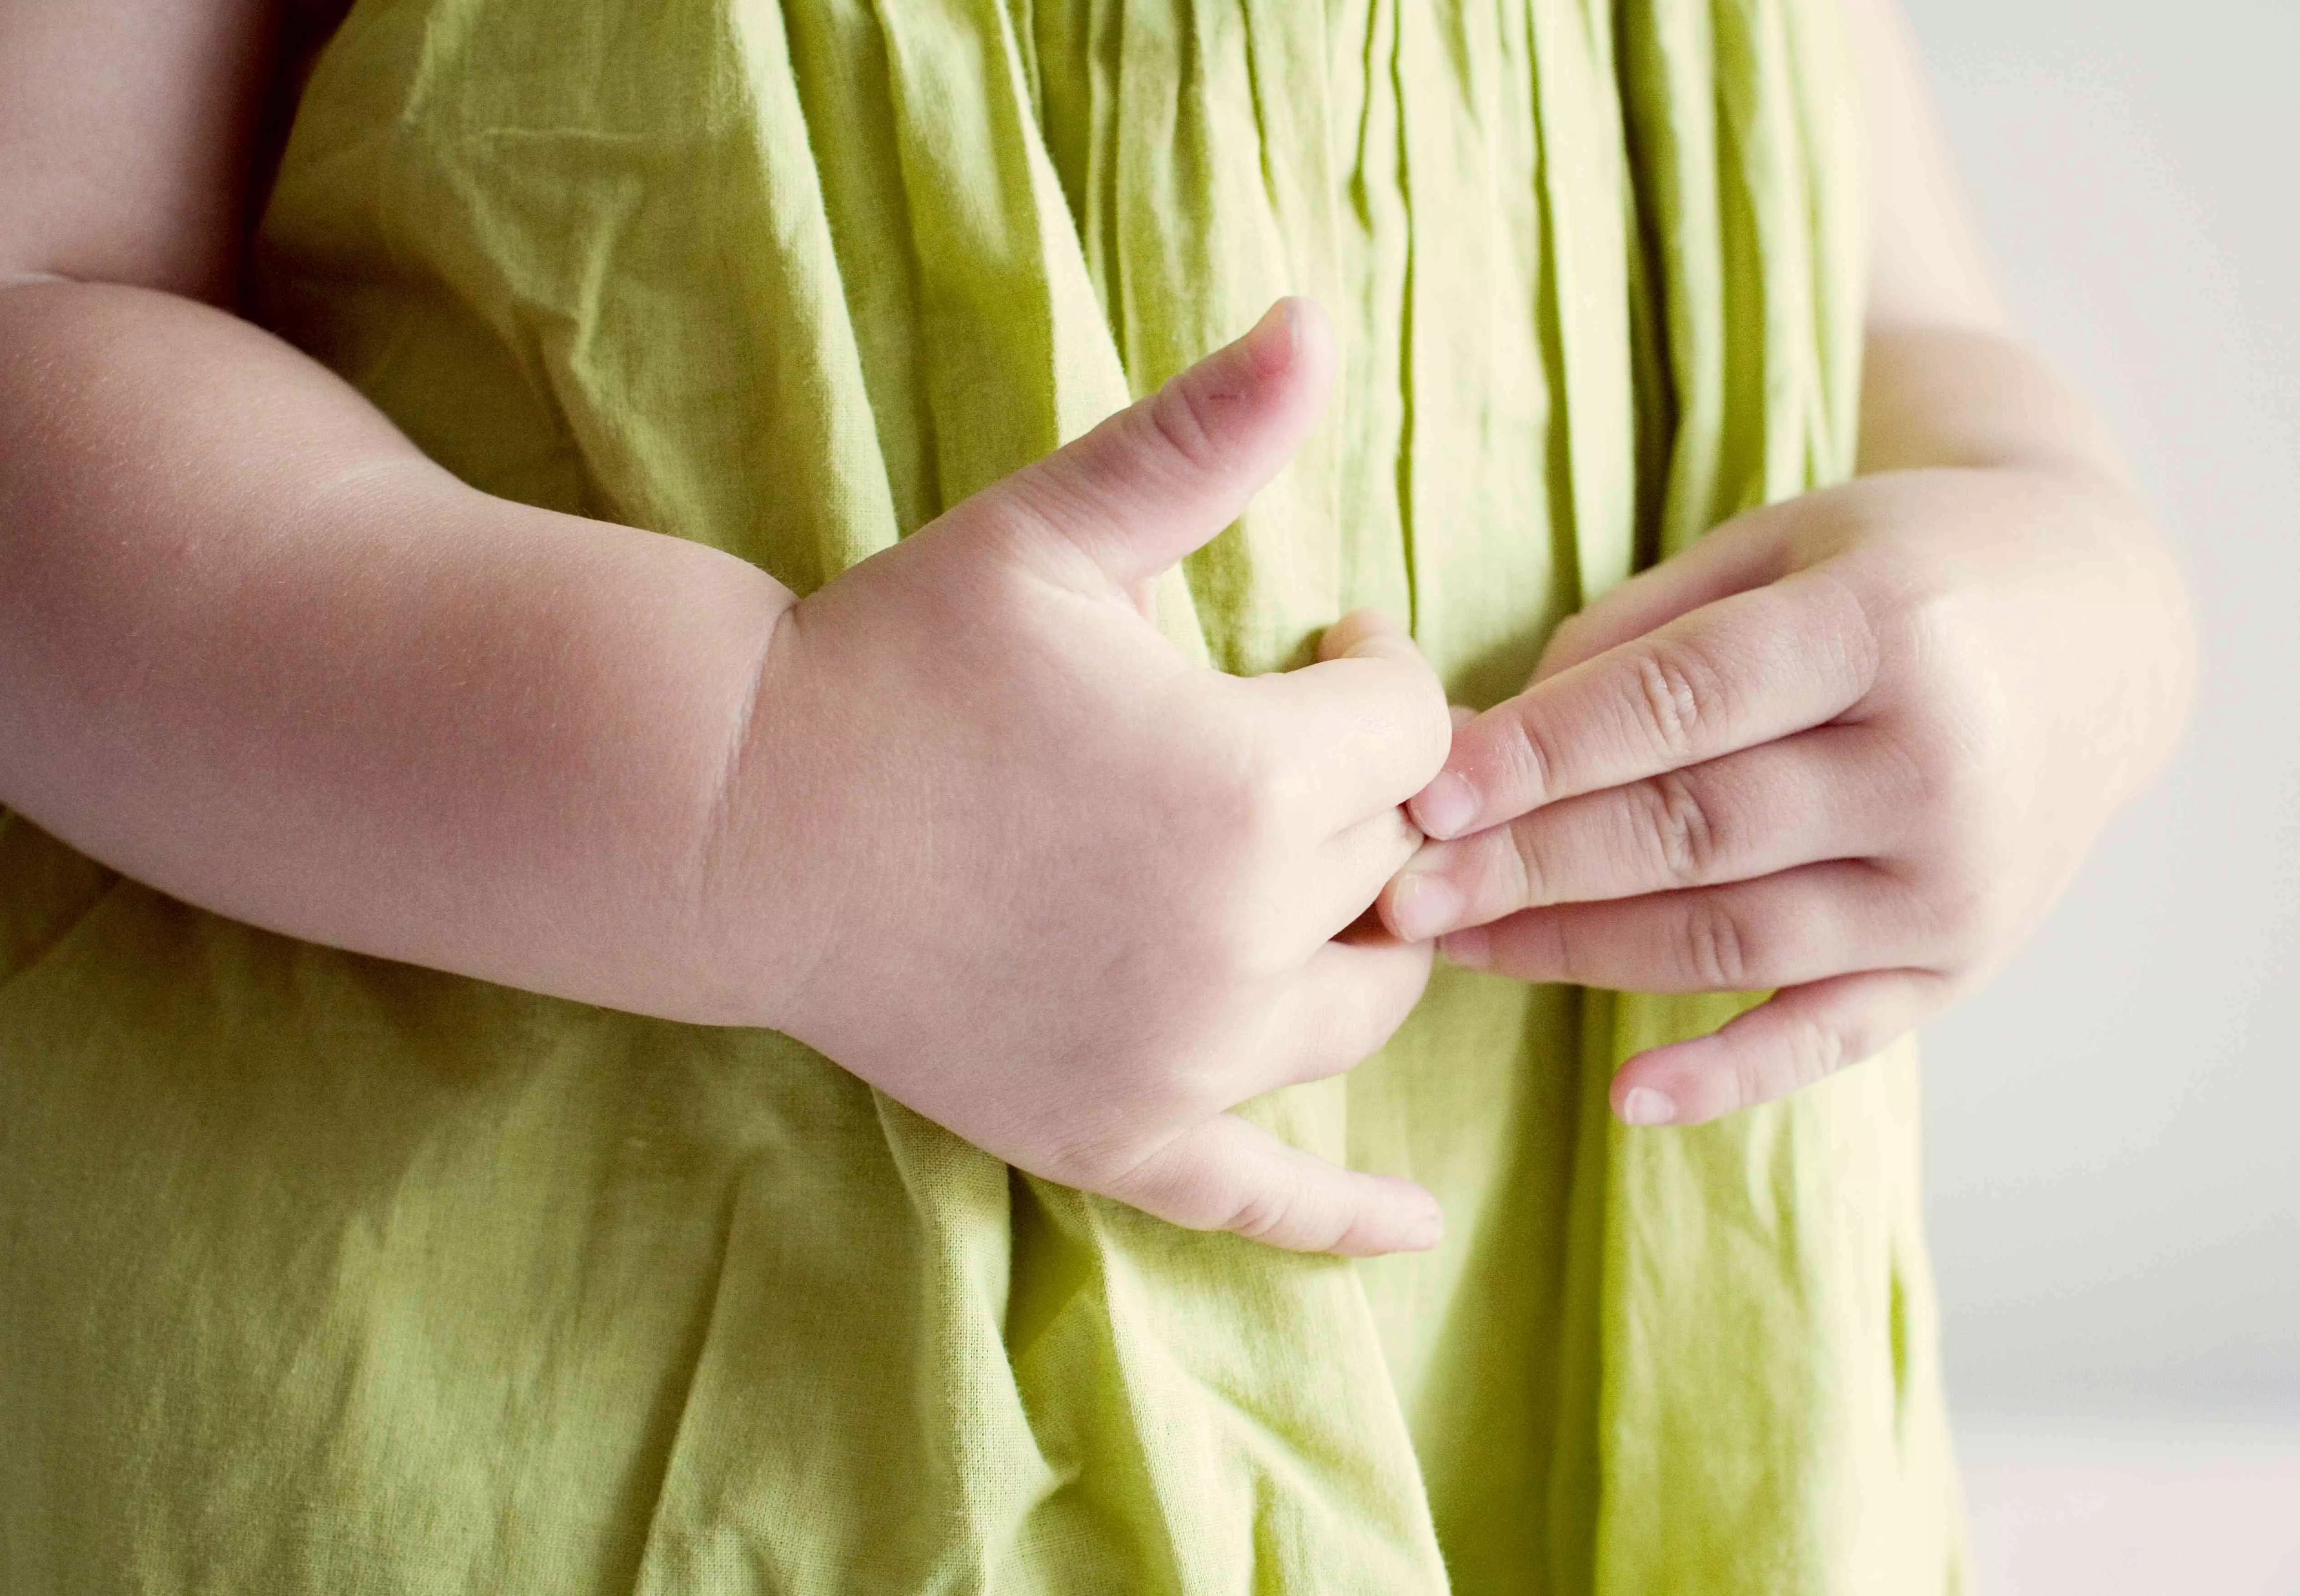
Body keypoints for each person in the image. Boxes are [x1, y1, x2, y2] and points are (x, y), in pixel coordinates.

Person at [0, 0, 2193, 1590]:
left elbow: (1898, 305)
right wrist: (753, 797)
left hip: (1512, 1390)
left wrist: (2075, 599)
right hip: (595, 1408)